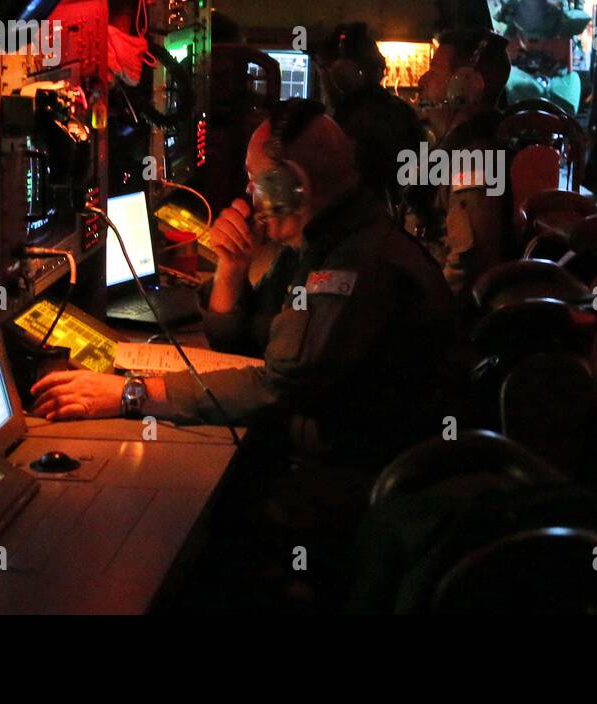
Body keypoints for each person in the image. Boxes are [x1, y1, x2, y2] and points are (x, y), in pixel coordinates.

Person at [32, 98, 457, 466]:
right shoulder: (324, 239)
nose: (249, 193)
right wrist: (231, 269)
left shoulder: (350, 266)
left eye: (254, 180)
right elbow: (246, 346)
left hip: (350, 479)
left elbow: (277, 387)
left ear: (293, 186)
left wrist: (130, 394)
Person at [415, 30, 512, 298]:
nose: (423, 80)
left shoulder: (475, 160)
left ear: (466, 86)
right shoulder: (457, 149)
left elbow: (467, 266)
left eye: (434, 70)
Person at [314, 22, 428, 217]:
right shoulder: (402, 113)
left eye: (324, 71)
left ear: (342, 75)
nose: (323, 82)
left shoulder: (346, 126)